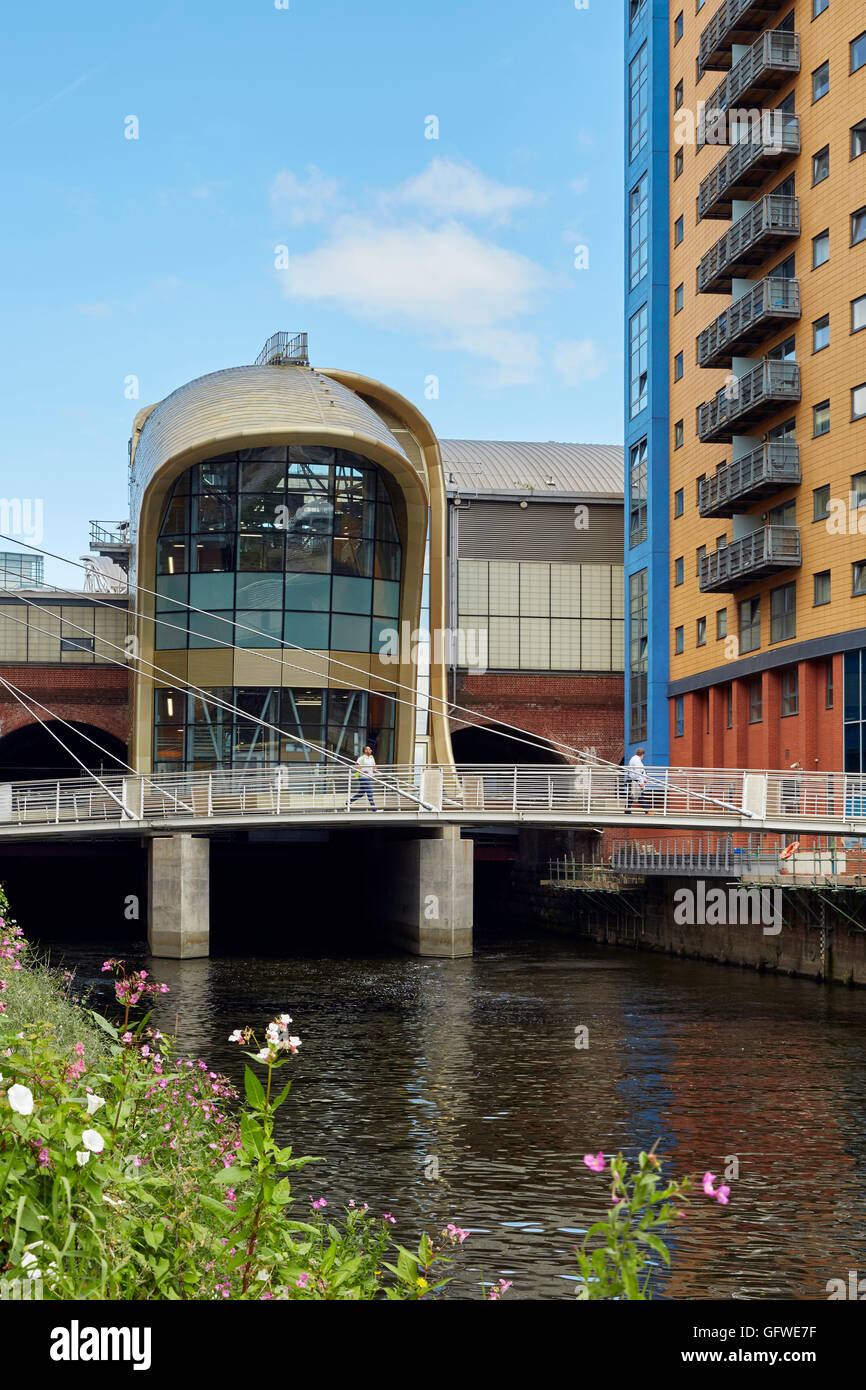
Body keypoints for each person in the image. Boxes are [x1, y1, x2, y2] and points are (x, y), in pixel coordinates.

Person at [625, 747, 652, 814]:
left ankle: (627, 811)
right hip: (636, 781)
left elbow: (640, 771)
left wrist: (644, 779)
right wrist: (641, 782)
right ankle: (647, 811)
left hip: (633, 780)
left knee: (631, 796)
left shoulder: (634, 759)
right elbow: (638, 772)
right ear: (642, 754)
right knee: (639, 796)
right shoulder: (637, 760)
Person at [350, 745, 378, 810]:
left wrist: (375, 768)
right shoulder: (362, 758)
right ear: (365, 751)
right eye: (369, 749)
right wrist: (362, 771)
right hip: (363, 777)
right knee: (370, 791)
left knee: (361, 793)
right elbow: (356, 766)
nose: (371, 750)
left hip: (368, 777)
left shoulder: (371, 757)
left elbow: (374, 766)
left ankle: (348, 802)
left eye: (370, 749)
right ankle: (374, 809)